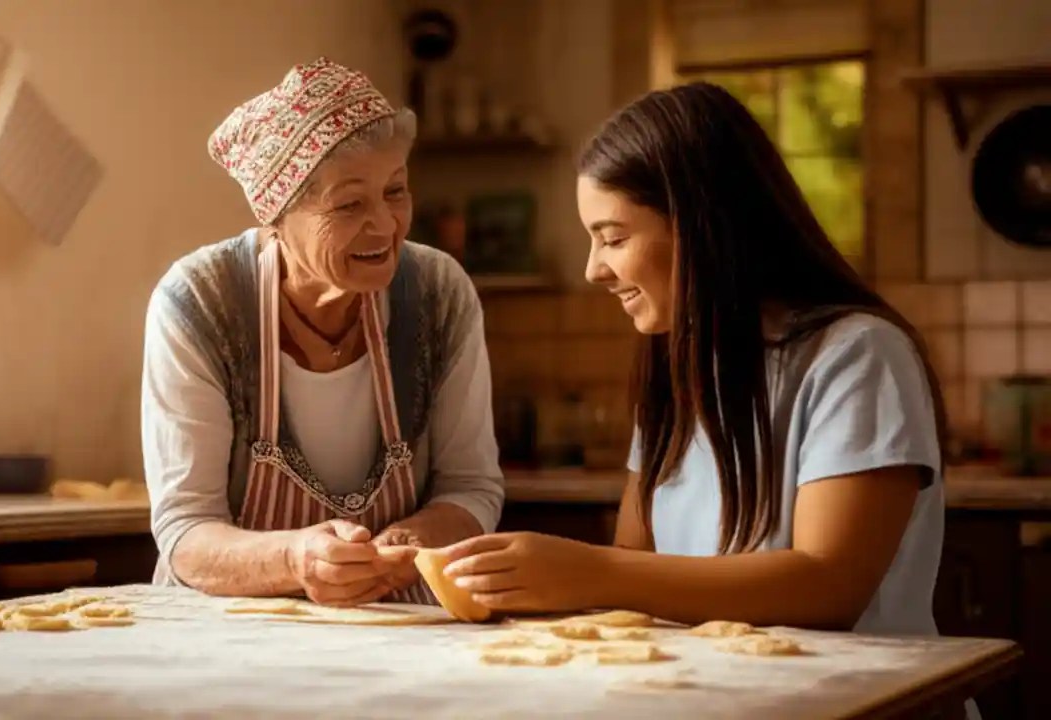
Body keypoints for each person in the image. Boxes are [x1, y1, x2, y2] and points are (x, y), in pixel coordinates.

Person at [442, 82, 948, 639]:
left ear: (701, 225)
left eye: (612, 238)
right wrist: (501, 581)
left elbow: (828, 586)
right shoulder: (678, 371)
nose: (593, 270)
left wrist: (587, 572)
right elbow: (637, 581)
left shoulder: (859, 356)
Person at [141, 58, 504, 607]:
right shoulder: (199, 302)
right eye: (350, 204)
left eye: (396, 191)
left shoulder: (438, 292)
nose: (384, 226)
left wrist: (408, 544)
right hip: (230, 634)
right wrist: (294, 559)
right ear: (276, 218)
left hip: (398, 625)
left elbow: (470, 486)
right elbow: (186, 528)